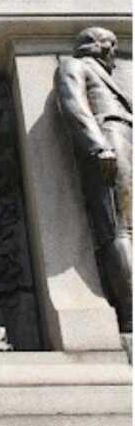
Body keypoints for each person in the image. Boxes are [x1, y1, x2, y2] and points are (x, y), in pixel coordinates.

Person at [55, 27, 132, 332]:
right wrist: (99, 146)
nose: (115, 54)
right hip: (110, 139)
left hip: (126, 137)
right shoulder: (73, 65)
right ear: (99, 46)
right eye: (112, 46)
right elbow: (74, 105)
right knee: (119, 229)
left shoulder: (106, 74)